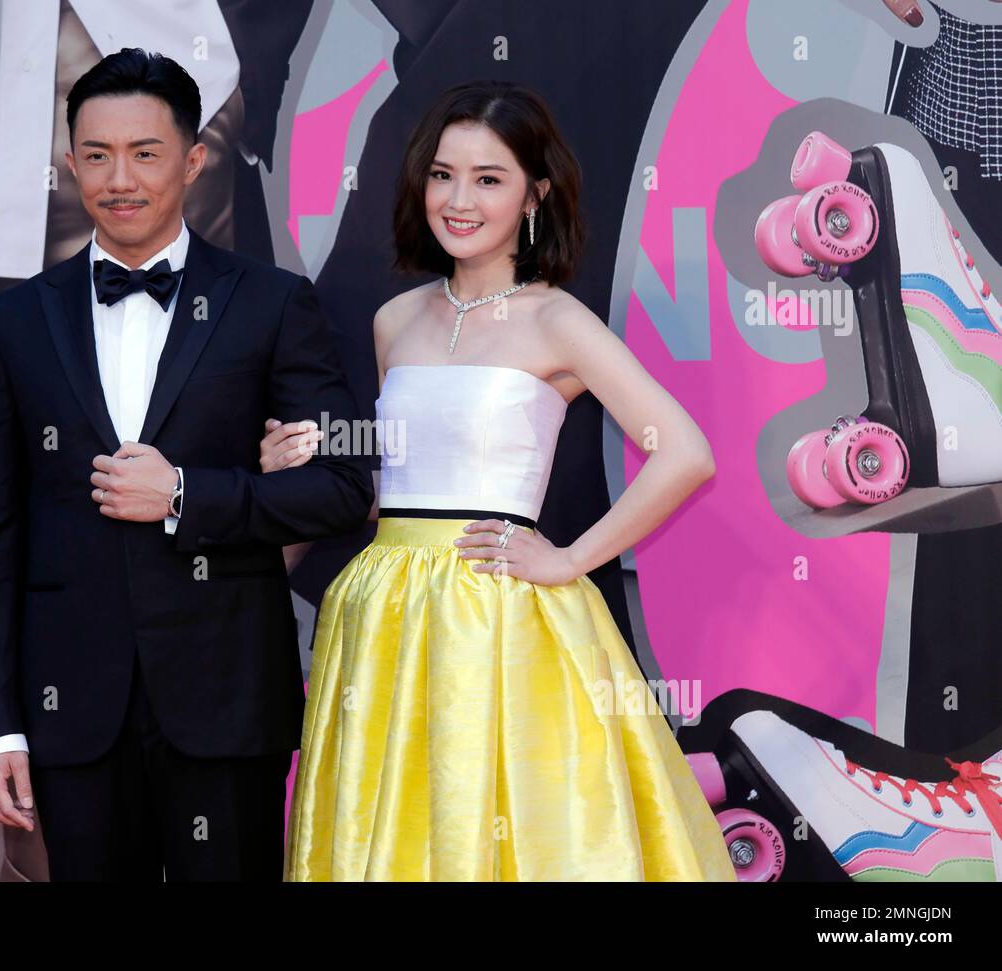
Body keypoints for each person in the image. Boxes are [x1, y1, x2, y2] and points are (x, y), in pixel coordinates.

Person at [265, 81, 737, 880]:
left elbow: (685, 451)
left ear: (534, 194)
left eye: (489, 178)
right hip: (380, 611)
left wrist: (567, 557)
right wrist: (312, 460)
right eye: (443, 174)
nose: (458, 198)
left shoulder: (557, 319)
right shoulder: (396, 319)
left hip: (500, 614)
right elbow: (396, 483)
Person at [0, 48, 372, 882]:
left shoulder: (274, 303)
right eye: (97, 155)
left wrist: (185, 494)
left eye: (145, 153)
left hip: (226, 698)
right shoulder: (12, 325)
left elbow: (340, 489)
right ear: (70, 162)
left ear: (192, 160)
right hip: (67, 707)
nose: (120, 178)